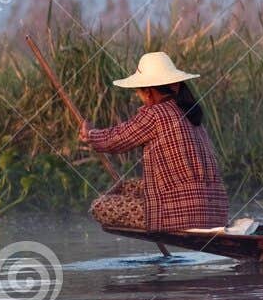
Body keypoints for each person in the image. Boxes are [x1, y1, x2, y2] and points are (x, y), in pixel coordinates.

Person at [81, 52, 229, 231]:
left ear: (148, 92)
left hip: (179, 214)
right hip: (215, 211)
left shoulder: (156, 114)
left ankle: (156, 214)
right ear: (175, 86)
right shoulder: (190, 114)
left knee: (100, 206)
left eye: (140, 92)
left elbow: (116, 140)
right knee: (126, 187)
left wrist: (90, 134)